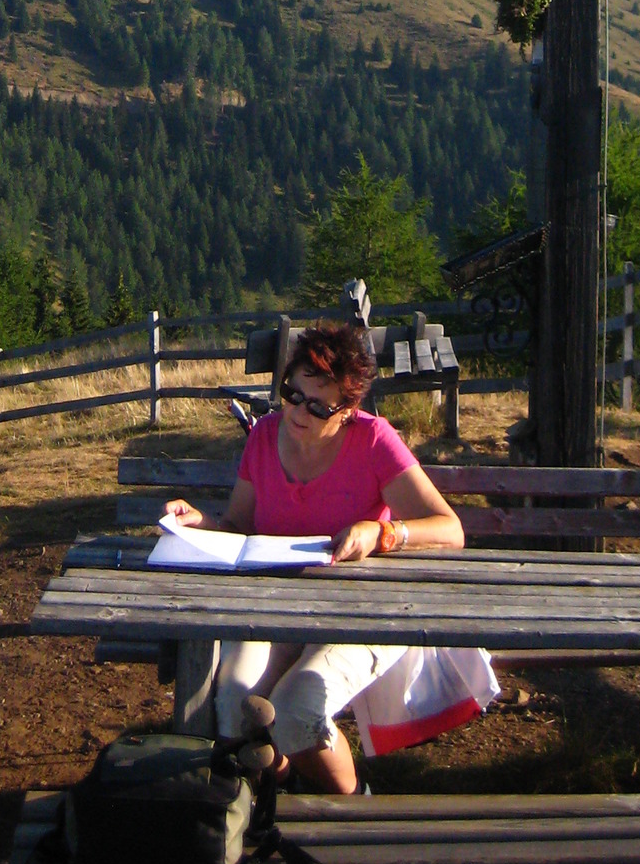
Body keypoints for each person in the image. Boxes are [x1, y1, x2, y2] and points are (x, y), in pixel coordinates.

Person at [163, 319, 464, 795]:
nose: (300, 411)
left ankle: (353, 809)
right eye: (293, 394)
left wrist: (382, 532)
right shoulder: (265, 435)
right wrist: (202, 523)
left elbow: (450, 529)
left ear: (348, 408)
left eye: (320, 405)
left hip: (360, 612)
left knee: (298, 710)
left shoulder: (374, 440)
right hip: (276, 609)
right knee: (235, 706)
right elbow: (240, 523)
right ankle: (284, 789)